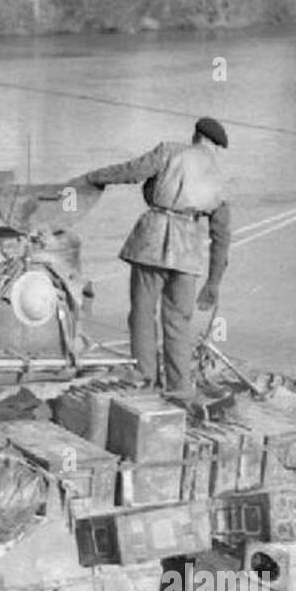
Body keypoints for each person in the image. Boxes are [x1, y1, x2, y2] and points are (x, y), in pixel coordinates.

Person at [79, 116, 231, 396]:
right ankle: (179, 388)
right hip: (188, 250)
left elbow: (132, 172)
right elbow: (222, 237)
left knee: (142, 313)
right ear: (216, 147)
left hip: (152, 241)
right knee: (178, 321)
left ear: (195, 136)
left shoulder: (170, 151)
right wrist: (214, 283)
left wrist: (93, 177)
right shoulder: (219, 179)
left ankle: (145, 379)